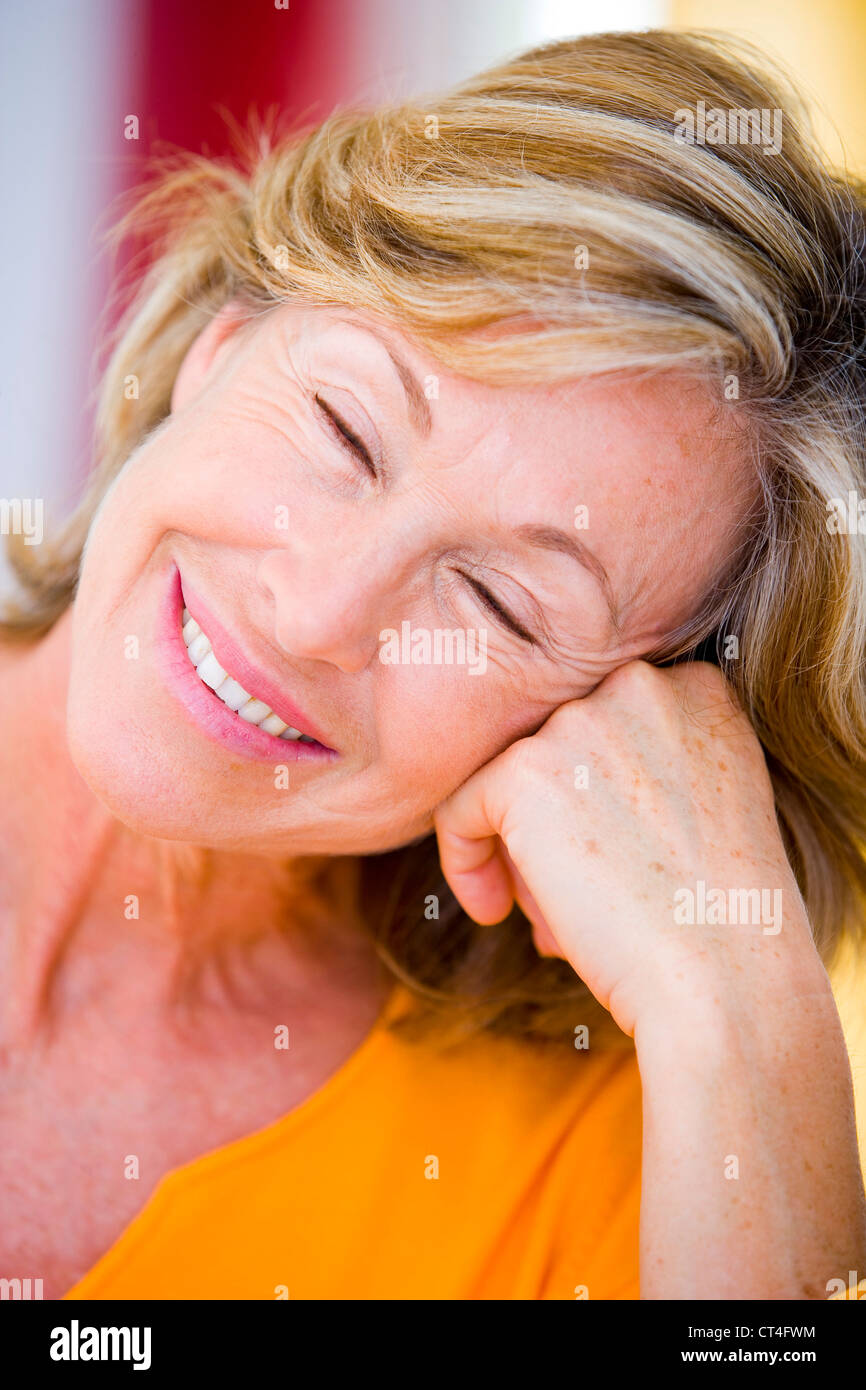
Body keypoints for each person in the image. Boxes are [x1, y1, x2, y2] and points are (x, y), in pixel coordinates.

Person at [2, 28, 865, 1301]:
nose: (317, 610)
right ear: (225, 342)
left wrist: (736, 1021)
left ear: (643, 734)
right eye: (344, 429)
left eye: (497, 604)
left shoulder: (629, 1178)